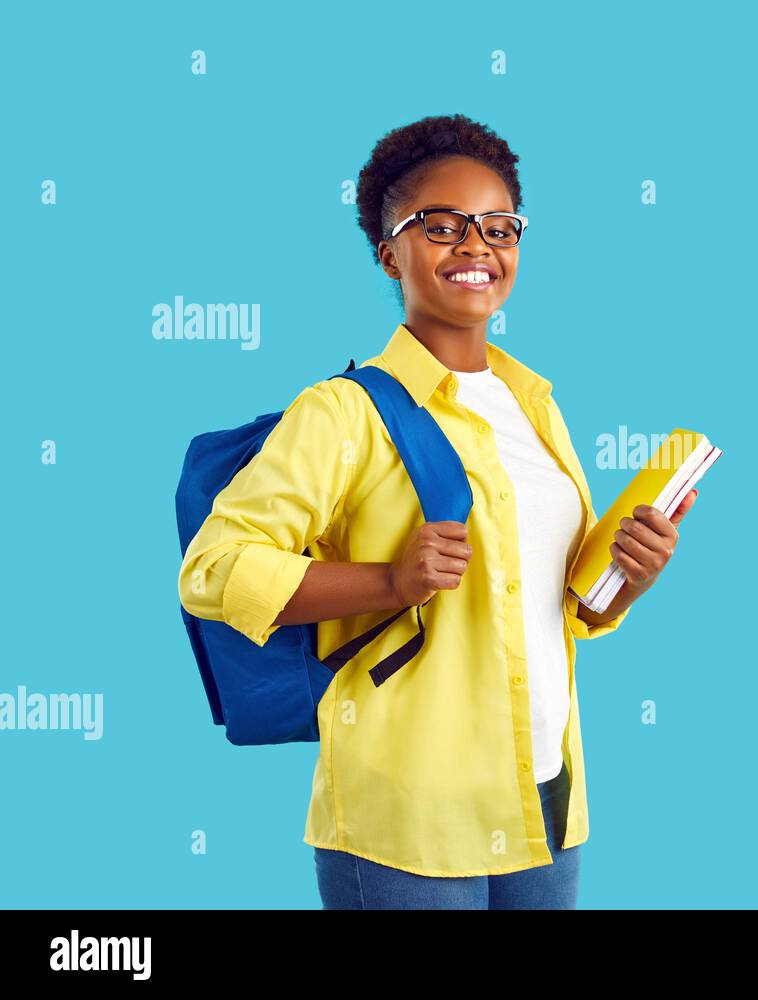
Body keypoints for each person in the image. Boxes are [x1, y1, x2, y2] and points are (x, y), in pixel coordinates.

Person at [177, 114, 698, 908]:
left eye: (498, 226)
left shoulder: (536, 405)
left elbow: (550, 607)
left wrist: (629, 576)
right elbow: (213, 571)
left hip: (545, 797)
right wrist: (390, 579)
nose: (476, 246)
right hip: (410, 815)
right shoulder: (342, 414)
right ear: (389, 251)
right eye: (443, 226)